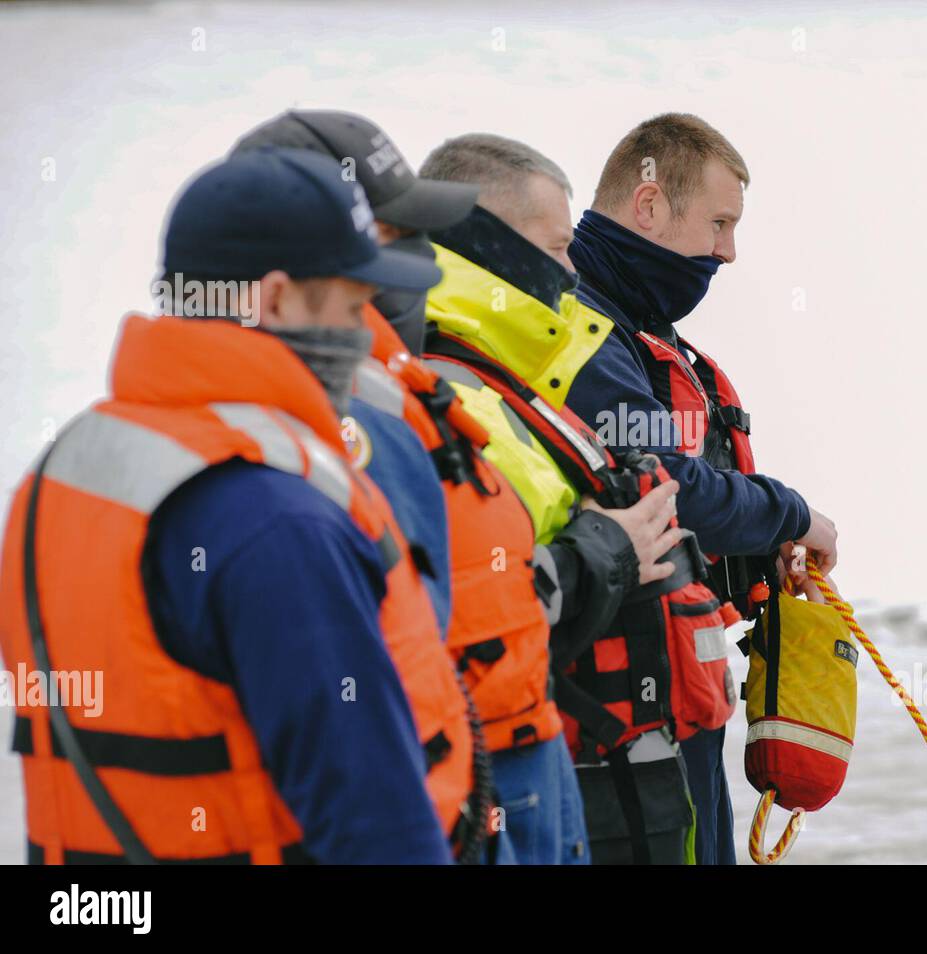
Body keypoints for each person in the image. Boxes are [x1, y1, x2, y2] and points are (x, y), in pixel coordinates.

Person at [0, 148, 475, 864]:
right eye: (353, 307)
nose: (365, 335)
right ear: (277, 298)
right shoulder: (277, 517)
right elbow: (374, 824)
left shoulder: (66, 468)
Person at [232, 110, 669, 864]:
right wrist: (604, 550)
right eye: (395, 238)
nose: (414, 260)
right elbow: (400, 656)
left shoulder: (414, 391)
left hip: (517, 753)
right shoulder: (342, 426)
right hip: (470, 782)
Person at [418, 134, 738, 864]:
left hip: (603, 766)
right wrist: (611, 547)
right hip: (541, 772)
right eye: (558, 247)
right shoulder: (443, 398)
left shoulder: (515, 382)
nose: (572, 271)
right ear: (484, 246)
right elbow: (458, 629)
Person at [564, 113, 840, 865]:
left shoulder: (645, 335)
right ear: (649, 206)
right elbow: (671, 489)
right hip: (622, 716)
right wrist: (794, 513)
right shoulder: (583, 329)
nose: (729, 250)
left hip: (681, 700)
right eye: (719, 223)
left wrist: (761, 547)